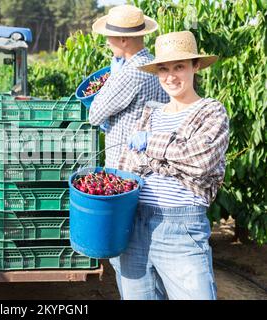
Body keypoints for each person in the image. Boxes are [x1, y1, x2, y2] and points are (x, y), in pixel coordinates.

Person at [117, 31, 229, 300]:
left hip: (181, 229)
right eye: (163, 69)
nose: (171, 76)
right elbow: (128, 163)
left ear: (195, 66)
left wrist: (150, 146)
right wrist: (171, 155)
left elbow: (199, 162)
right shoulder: (151, 113)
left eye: (179, 66)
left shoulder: (210, 111)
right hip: (135, 225)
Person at [88, 4, 169, 298]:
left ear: (123, 40)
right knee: (149, 251)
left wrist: (113, 78)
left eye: (111, 37)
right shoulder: (156, 65)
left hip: (125, 170)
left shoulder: (131, 72)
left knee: (128, 258)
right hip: (153, 169)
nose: (108, 42)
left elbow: (95, 113)